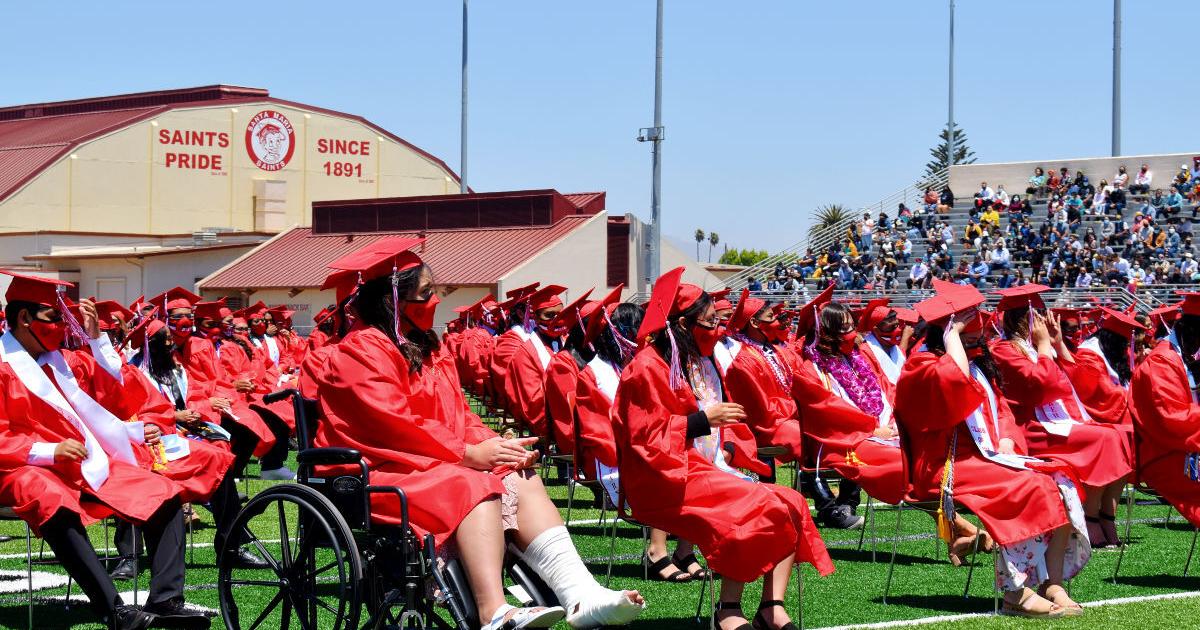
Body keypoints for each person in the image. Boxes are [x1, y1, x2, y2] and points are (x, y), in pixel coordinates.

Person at [310, 238, 645, 629]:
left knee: (521, 477)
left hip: (427, 460)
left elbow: (458, 414)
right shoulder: (362, 350)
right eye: (426, 293)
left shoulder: (425, 348)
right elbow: (393, 424)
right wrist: (468, 454)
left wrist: (497, 446)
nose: (437, 300)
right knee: (472, 485)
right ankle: (494, 611)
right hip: (380, 466)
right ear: (393, 303)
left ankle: (579, 595)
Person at [612, 267, 833, 630]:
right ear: (682, 325)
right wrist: (702, 421)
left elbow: (723, 421)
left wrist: (726, 445)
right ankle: (728, 608)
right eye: (710, 322)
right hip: (661, 479)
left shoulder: (689, 363)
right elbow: (644, 440)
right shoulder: (645, 368)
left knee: (790, 501)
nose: (719, 331)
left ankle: (770, 607)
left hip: (695, 467)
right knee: (756, 506)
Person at [0, 273, 209, 628]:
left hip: (81, 462)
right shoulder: (4, 367)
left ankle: (166, 600)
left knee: (164, 492)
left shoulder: (65, 362)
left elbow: (117, 390)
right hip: (18, 466)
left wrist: (97, 339)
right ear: (24, 319)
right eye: (55, 318)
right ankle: (114, 609)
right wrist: (49, 452)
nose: (63, 327)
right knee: (47, 494)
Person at [896, 279, 1091, 618]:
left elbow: (1003, 411)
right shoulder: (921, 365)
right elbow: (951, 385)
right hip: (945, 464)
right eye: (968, 335)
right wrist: (951, 336)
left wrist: (1008, 439)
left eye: (976, 336)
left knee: (1061, 477)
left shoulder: (976, 362)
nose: (977, 342)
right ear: (947, 333)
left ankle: (1052, 582)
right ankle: (1016, 592)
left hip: (985, 458)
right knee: (1030, 487)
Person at [987, 285, 1133, 548]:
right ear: (1026, 319)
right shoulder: (1004, 350)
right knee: (1105, 438)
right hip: (1033, 428)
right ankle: (1091, 518)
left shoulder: (1039, 347)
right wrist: (1044, 346)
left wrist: (1058, 344)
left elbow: (1079, 384)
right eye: (1040, 314)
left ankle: (1105, 514)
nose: (1046, 320)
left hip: (1058, 423)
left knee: (1123, 435)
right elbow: (1043, 386)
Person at [1130, 297, 1200, 530]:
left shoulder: (1183, 355)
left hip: (1185, 446)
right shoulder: (1162, 361)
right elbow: (1173, 417)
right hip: (1165, 454)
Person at [501, 284, 571, 438]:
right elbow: (533, 403)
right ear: (535, 317)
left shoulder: (568, 343)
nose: (557, 320)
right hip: (554, 425)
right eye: (549, 315)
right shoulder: (525, 353)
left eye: (560, 314)